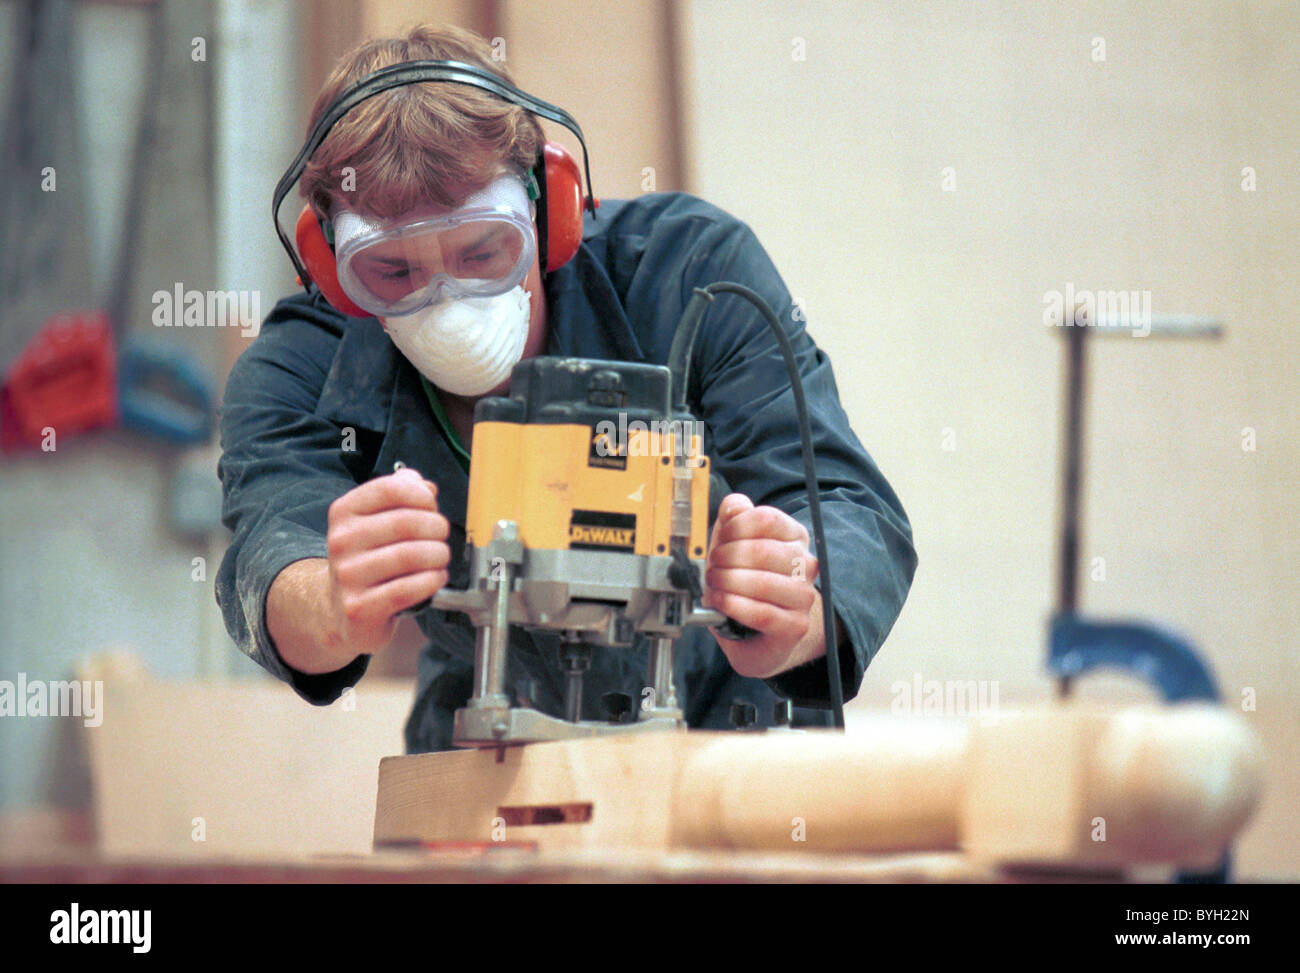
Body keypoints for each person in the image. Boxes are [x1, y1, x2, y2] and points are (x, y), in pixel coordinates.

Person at [216, 24, 916, 752]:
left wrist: (791, 602)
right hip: (487, 742)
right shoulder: (299, 369)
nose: (448, 301)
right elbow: (272, 550)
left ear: (548, 212)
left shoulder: (690, 275)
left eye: (484, 250)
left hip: (727, 734)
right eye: (393, 271)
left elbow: (848, 506)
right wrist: (331, 604)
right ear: (331, 268)